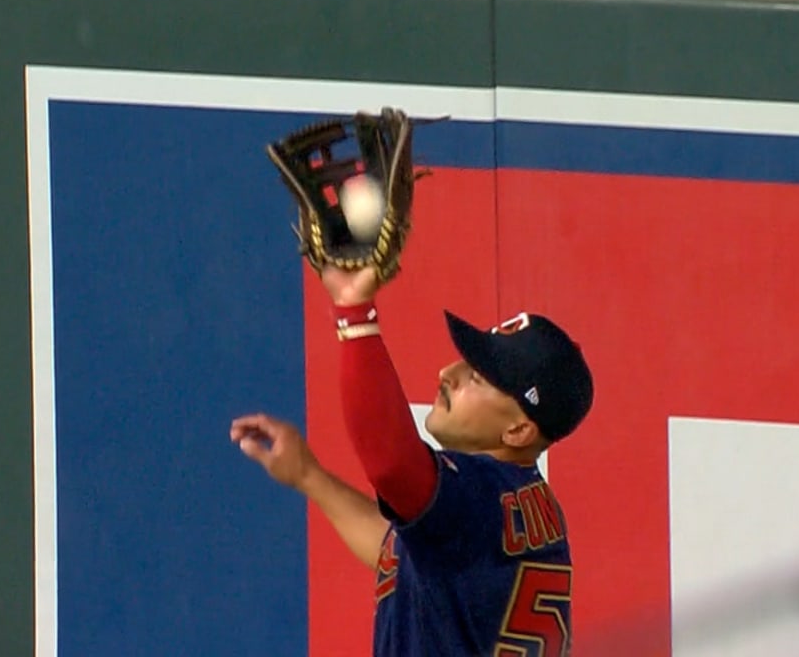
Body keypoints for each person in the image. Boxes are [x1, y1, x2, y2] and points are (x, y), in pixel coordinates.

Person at [230, 265, 595, 656]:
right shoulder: (517, 502)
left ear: (518, 431)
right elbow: (402, 552)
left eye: (477, 377)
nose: (448, 373)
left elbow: (391, 464)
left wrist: (355, 317)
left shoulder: (478, 498)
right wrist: (309, 475)